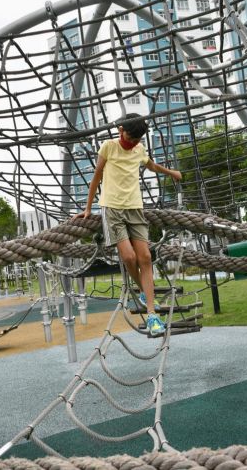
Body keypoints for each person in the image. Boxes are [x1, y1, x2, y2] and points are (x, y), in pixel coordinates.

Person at [73, 113, 182, 335]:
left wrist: (171, 172)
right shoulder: (109, 147)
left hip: (135, 208)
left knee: (146, 257)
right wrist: (88, 208)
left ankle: (152, 315)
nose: (131, 143)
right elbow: (96, 177)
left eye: (136, 140)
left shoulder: (139, 149)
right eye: (129, 138)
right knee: (129, 257)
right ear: (120, 130)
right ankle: (143, 291)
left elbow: (150, 165)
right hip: (112, 209)